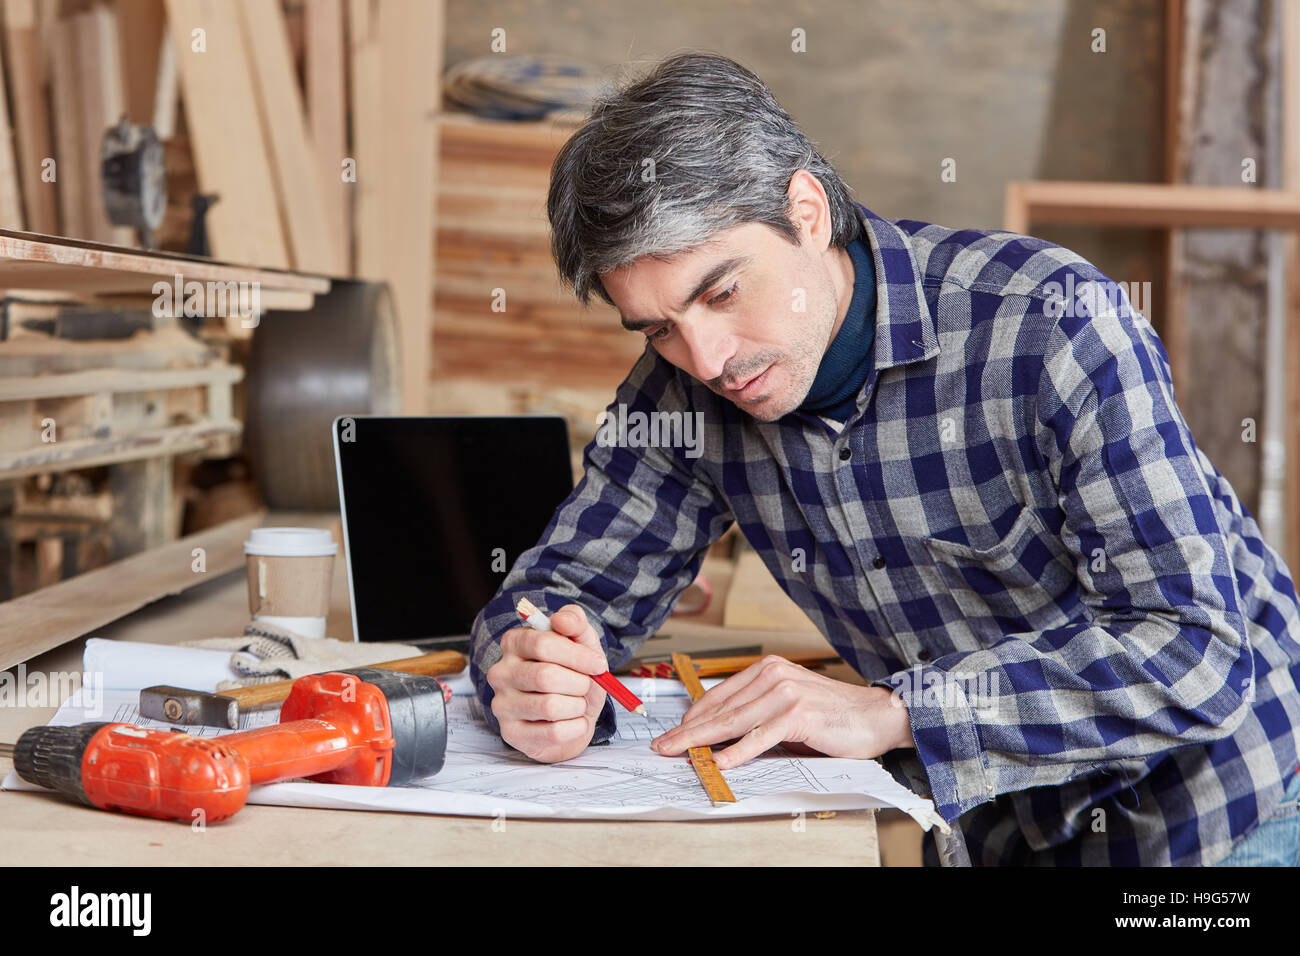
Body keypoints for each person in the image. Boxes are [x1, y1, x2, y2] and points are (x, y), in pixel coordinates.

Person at [468, 50, 1300, 866]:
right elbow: (557, 598)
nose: (708, 358)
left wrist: (893, 712)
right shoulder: (679, 396)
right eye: (657, 328)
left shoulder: (1052, 324)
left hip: (1230, 812)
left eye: (720, 292)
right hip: (997, 831)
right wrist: (531, 672)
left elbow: (1193, 652)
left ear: (806, 211)